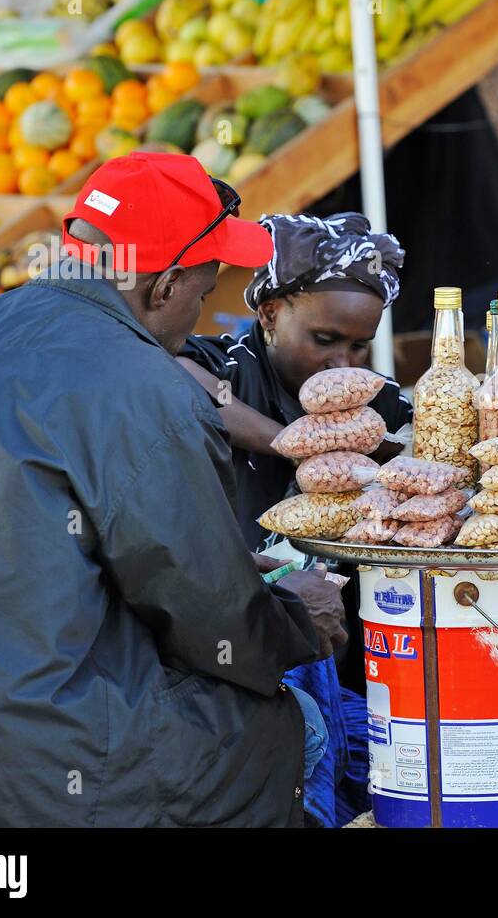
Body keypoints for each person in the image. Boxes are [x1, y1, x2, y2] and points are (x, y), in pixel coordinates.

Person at [0, 152, 345, 827]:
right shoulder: (147, 389)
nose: (203, 315)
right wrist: (295, 613)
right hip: (46, 769)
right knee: (295, 722)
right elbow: (224, 635)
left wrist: (231, 571)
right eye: (204, 291)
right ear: (164, 286)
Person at [177, 211, 410, 827]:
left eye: (360, 345)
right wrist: (286, 441)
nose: (342, 364)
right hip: (240, 647)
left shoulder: (372, 401)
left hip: (337, 656)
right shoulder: (226, 368)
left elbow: (430, 444)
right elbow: (162, 371)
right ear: (272, 313)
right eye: (326, 339)